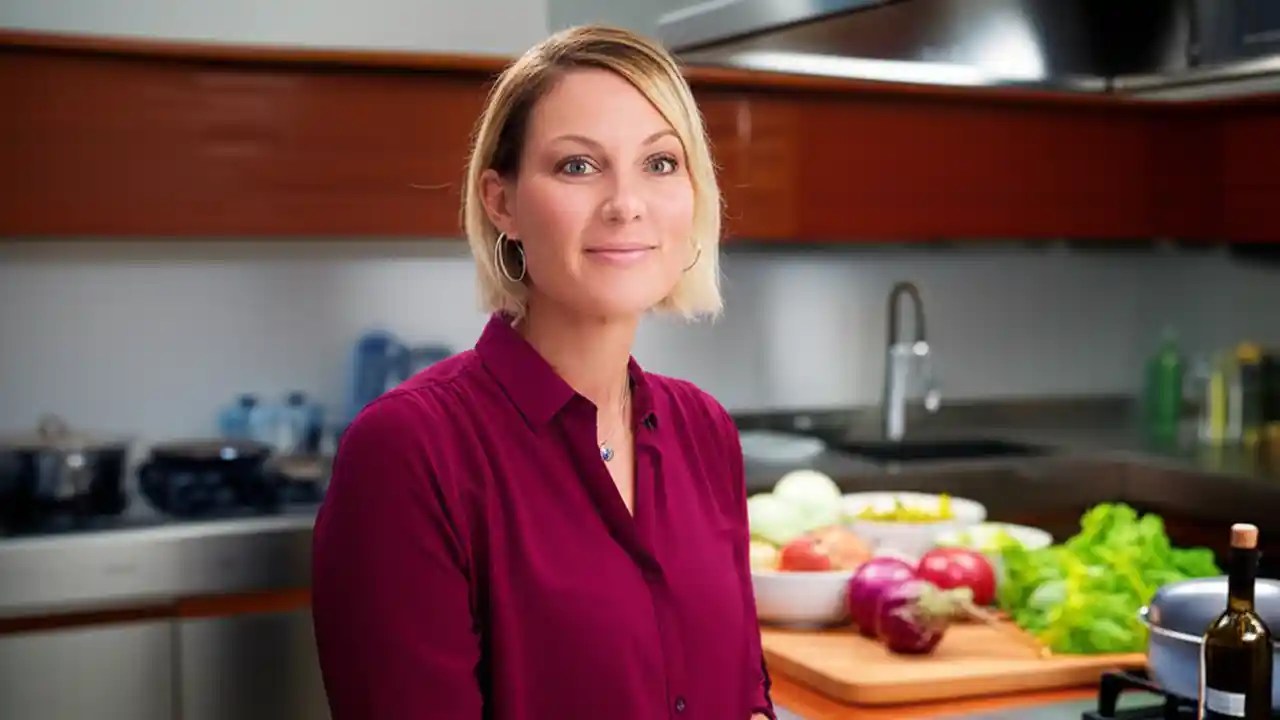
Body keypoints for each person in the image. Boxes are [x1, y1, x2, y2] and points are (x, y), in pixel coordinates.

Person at [311, 23, 775, 720]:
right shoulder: (409, 452)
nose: (627, 204)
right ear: (503, 203)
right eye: (578, 167)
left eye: (660, 163)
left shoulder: (704, 431)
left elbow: (744, 701)